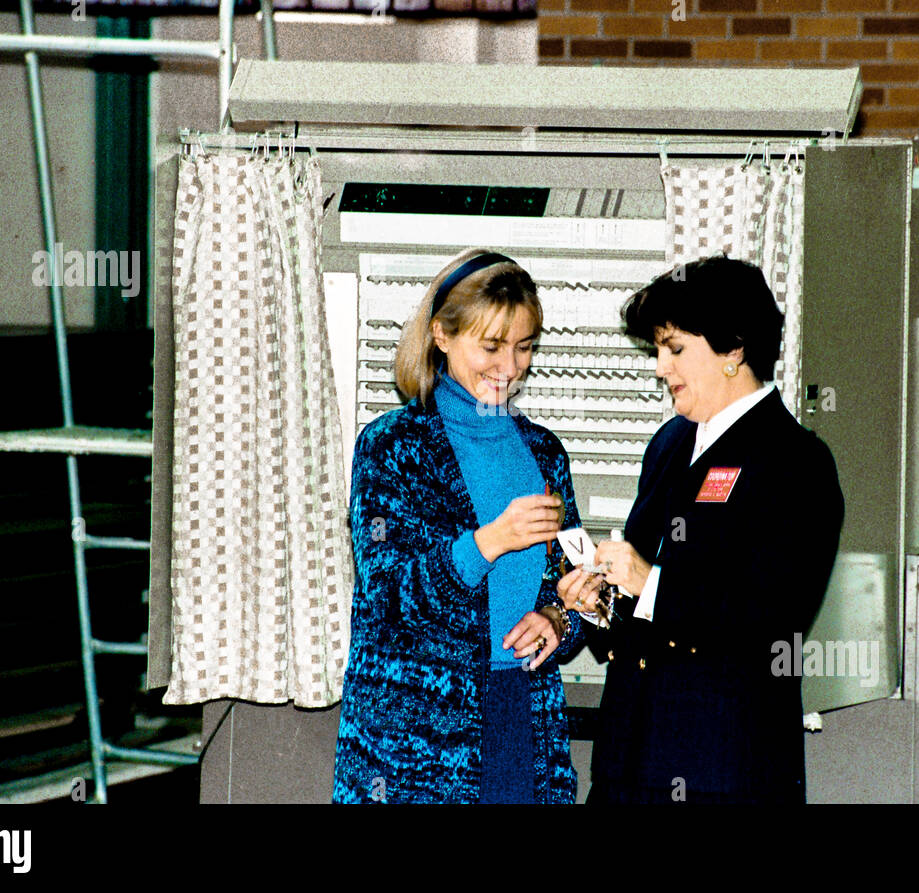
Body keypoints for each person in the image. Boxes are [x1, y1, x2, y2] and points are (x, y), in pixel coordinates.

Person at [560, 255, 845, 804]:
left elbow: (772, 619)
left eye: (675, 349)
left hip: (724, 767)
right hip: (630, 760)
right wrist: (598, 603)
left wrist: (650, 582)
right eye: (658, 350)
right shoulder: (669, 445)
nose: (660, 368)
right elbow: (643, 614)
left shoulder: (795, 461)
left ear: (734, 348)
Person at [332, 248, 586, 804]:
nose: (510, 366)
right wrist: (490, 541)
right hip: (414, 736)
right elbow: (387, 595)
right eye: (491, 346)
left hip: (523, 714)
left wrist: (559, 619)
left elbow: (578, 584)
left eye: (524, 347)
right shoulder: (393, 446)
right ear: (442, 336)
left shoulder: (543, 452)